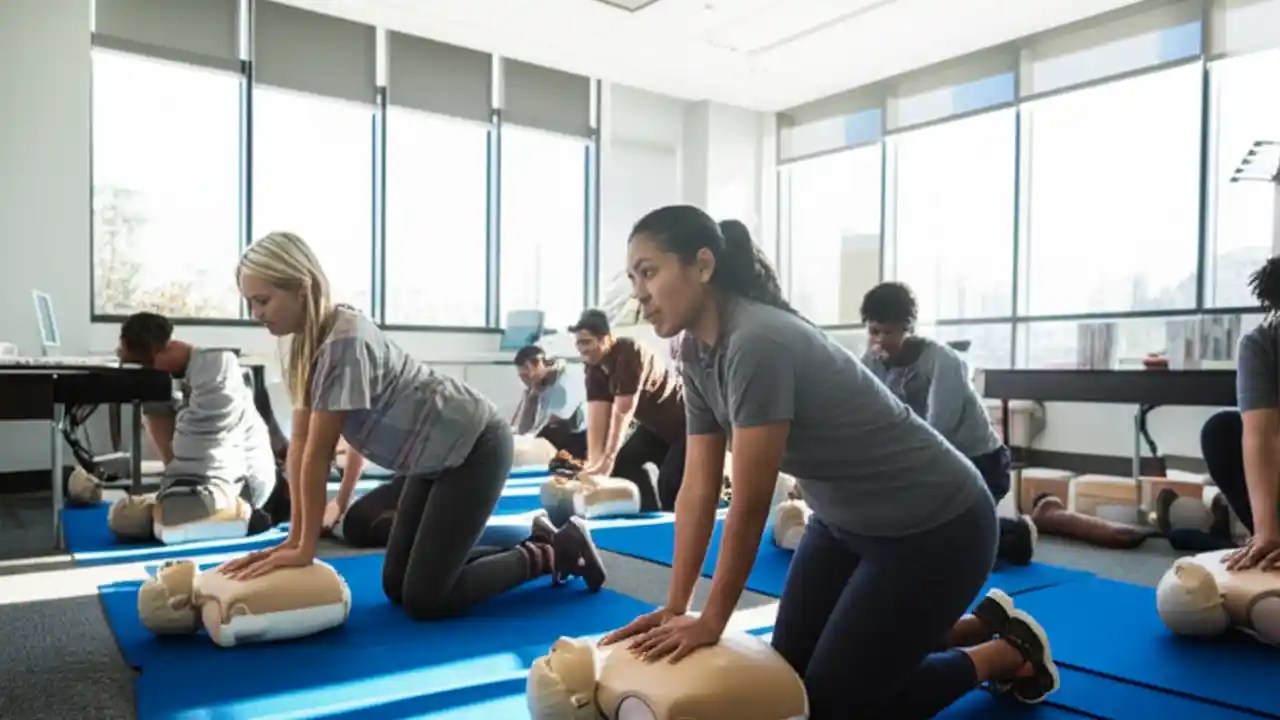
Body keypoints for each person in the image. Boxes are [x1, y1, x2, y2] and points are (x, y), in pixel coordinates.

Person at [599, 207, 1058, 719]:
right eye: (632, 277)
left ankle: (1006, 653)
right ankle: (972, 624)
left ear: (702, 266)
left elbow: (749, 503)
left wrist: (712, 620)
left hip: (937, 530)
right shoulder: (694, 352)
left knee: (829, 708)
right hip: (841, 526)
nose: (638, 292)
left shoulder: (757, 342)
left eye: (648, 271)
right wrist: (676, 607)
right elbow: (699, 489)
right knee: (784, 681)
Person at [218, 231, 606, 618]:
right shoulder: (302, 343)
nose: (256, 314)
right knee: (397, 585)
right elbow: (300, 444)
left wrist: (305, 548)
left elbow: (319, 455)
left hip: (474, 447)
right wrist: (293, 540)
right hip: (431, 459)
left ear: (301, 288)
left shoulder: (343, 342)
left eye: (262, 301)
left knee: (427, 598)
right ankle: (535, 541)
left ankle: (551, 551)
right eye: (251, 302)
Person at [859, 281, 1036, 565]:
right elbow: (865, 414)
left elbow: (939, 431)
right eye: (873, 331)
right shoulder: (871, 362)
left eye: (888, 332)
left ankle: (1016, 533)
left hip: (978, 463)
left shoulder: (944, 362)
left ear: (909, 328)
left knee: (946, 547)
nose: (879, 340)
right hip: (925, 460)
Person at [117, 312, 288, 531]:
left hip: (237, 481)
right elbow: (176, 462)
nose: (146, 373)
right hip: (200, 481)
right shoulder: (183, 373)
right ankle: (215, 519)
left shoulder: (216, 366)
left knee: (132, 521)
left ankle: (243, 515)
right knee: (122, 517)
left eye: (144, 365)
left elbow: (202, 451)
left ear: (162, 349)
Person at [1201, 255, 1280, 572]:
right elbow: (1262, 436)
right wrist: (1268, 531)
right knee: (1222, 431)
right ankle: (1265, 543)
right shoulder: (1262, 344)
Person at [571, 308, 687, 512]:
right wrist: (593, 464)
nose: (582, 349)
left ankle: (674, 527)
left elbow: (622, 412)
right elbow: (598, 419)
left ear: (604, 339)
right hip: (656, 428)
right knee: (624, 464)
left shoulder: (629, 352)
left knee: (669, 482)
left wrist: (607, 459)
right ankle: (649, 513)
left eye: (587, 342)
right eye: (579, 343)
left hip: (686, 424)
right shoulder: (594, 368)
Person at [511, 345, 588, 459]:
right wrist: (530, 400)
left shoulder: (565, 382)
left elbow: (553, 423)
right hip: (559, 434)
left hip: (582, 436)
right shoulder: (539, 382)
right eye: (521, 376)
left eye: (526, 375)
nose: (524, 380)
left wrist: (529, 440)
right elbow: (523, 429)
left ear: (538, 365)